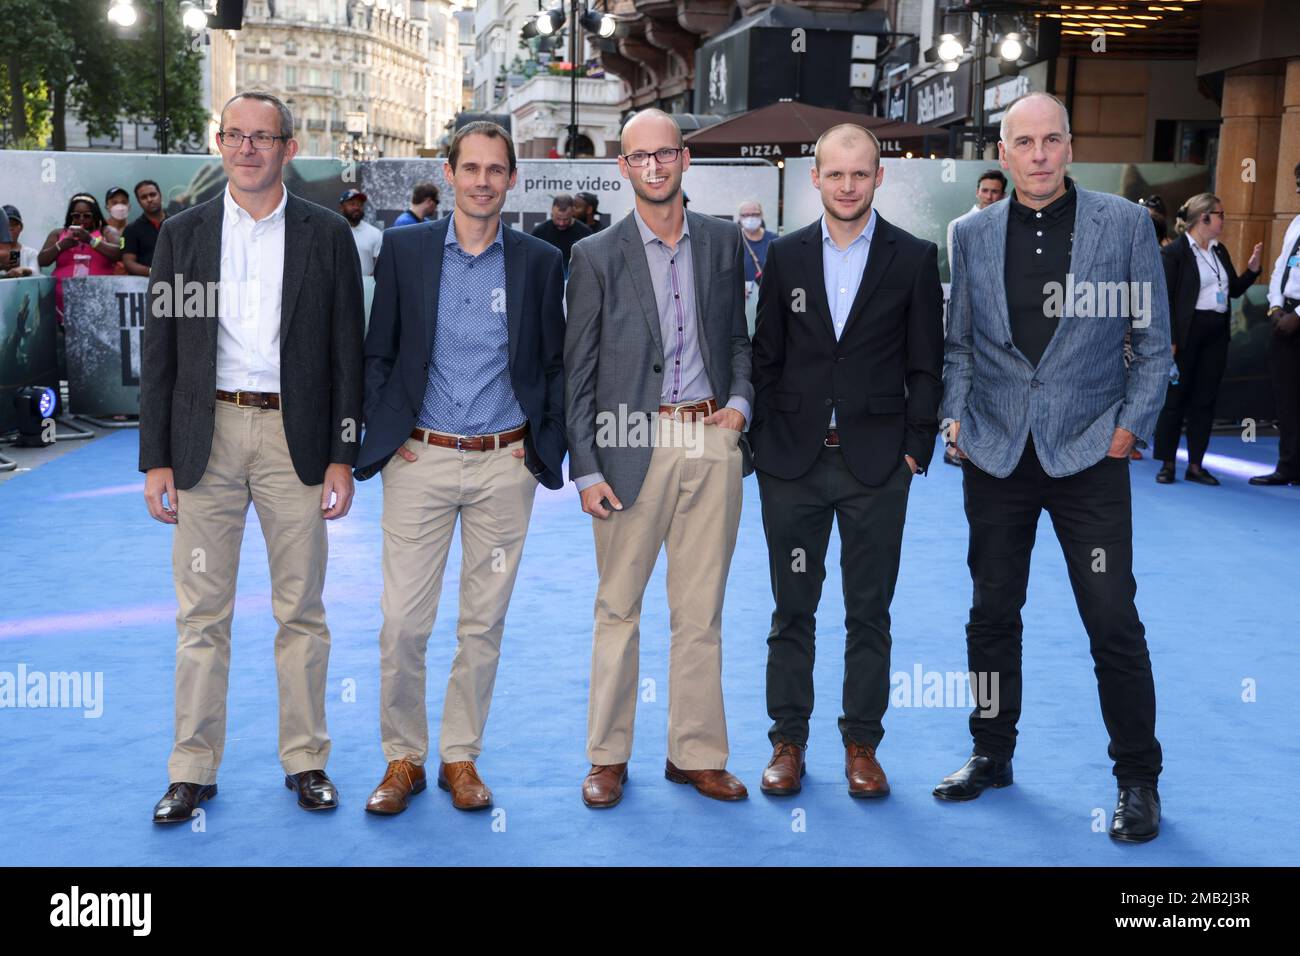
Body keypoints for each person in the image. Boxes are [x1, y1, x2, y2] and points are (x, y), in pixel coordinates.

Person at [938, 92, 1171, 843]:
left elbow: (1153, 342)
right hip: (998, 454)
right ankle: (990, 751)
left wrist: (1129, 430)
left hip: (1090, 457)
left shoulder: (1127, 226)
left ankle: (1138, 779)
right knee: (991, 616)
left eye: (1051, 141)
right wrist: (955, 416)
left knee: (1111, 620)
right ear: (1003, 154)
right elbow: (961, 346)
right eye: (1023, 143)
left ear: (1070, 148)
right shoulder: (969, 234)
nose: (1037, 155)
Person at [139, 90, 364, 824]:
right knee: (201, 614)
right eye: (234, 136)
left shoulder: (327, 235)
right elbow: (163, 351)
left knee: (301, 609)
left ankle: (307, 760)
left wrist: (342, 454)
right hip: (205, 439)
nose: (246, 149)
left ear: (288, 149)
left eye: (262, 138)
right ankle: (192, 768)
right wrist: (156, 459)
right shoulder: (185, 233)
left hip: (295, 443)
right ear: (220, 142)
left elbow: (346, 354)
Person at [353, 121, 567, 815]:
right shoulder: (407, 250)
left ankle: (460, 756)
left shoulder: (537, 260)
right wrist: (390, 437)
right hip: (420, 461)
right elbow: (378, 351)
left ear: (511, 179)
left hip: (505, 466)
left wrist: (541, 451)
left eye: (494, 170)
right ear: (449, 174)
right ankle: (402, 758)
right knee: (403, 624)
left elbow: (554, 363)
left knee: (483, 622)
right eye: (469, 168)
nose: (481, 181)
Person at [565, 108, 753, 808]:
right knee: (618, 608)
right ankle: (608, 756)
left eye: (665, 154)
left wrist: (739, 405)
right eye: (639, 157)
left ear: (683, 159)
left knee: (699, 611)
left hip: (708, 440)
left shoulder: (722, 242)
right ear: (623, 166)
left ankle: (695, 754)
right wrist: (586, 468)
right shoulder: (595, 255)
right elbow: (575, 371)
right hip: (625, 448)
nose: (653, 166)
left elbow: (737, 337)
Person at [750, 124, 943, 799]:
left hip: (877, 466)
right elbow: (765, 355)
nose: (848, 185)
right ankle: (788, 742)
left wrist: (915, 448)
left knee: (870, 613)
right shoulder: (787, 257)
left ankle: (862, 744)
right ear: (816, 178)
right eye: (835, 173)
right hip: (793, 467)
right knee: (791, 610)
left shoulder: (914, 258)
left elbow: (927, 362)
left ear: (879, 177)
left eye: (860, 174)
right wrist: (763, 447)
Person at [1153, 193, 1262, 485]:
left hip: (1216, 333)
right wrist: (1171, 339)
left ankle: (1196, 465)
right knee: (1176, 399)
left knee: (1205, 400)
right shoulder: (1175, 253)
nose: (1223, 220)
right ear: (1204, 218)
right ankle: (1167, 463)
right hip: (1186, 333)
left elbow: (1234, 291)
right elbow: (1165, 300)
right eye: (1220, 214)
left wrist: (1252, 271)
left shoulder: (1219, 251)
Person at [942, 169, 1007, 466]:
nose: (990, 196)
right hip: (966, 313)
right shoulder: (959, 226)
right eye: (985, 191)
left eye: (995, 191)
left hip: (999, 321)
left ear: (1003, 194)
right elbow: (959, 277)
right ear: (977, 191)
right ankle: (949, 444)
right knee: (956, 376)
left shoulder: (1009, 227)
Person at [1251, 160, 1300, 486]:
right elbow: (1281, 268)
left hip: (1298, 317)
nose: (1296, 189)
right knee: (1287, 397)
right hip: (1284, 316)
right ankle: (1289, 466)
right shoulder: (1296, 223)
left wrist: (1299, 316)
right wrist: (1275, 307)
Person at [36, 194, 122, 324]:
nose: (81, 219)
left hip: (100, 301)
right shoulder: (58, 233)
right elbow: (42, 260)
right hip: (62, 302)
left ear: (95, 215)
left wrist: (90, 240)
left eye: (87, 215)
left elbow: (120, 253)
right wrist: (61, 246)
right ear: (70, 216)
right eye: (76, 216)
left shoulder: (106, 231)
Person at [529, 192, 591, 275]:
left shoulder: (585, 233)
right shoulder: (539, 232)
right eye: (558, 218)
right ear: (552, 211)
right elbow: (532, 260)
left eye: (566, 219)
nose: (561, 223)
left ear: (573, 211)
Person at [738, 199, 775, 336]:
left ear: (761, 215)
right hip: (742, 306)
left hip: (767, 303)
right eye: (746, 215)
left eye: (754, 214)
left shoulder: (774, 240)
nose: (750, 218)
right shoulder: (733, 240)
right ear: (740, 218)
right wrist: (736, 287)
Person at [122, 180, 167, 277]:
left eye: (153, 194)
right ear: (139, 202)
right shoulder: (131, 229)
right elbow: (128, 262)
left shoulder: (176, 223)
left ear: (160, 195)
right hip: (144, 286)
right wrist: (154, 272)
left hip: (180, 283)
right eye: (144, 197)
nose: (149, 199)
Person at [339, 188, 384, 277]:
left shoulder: (374, 233)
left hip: (366, 287)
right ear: (341, 207)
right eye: (352, 204)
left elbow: (380, 265)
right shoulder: (334, 231)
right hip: (338, 287)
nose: (356, 207)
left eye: (360, 204)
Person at [2, 205, 40, 278]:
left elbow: (36, 273)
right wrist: (1, 267)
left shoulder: (31, 253)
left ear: (21, 227)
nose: (10, 228)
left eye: (14, 224)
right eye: (5, 224)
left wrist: (23, 270)